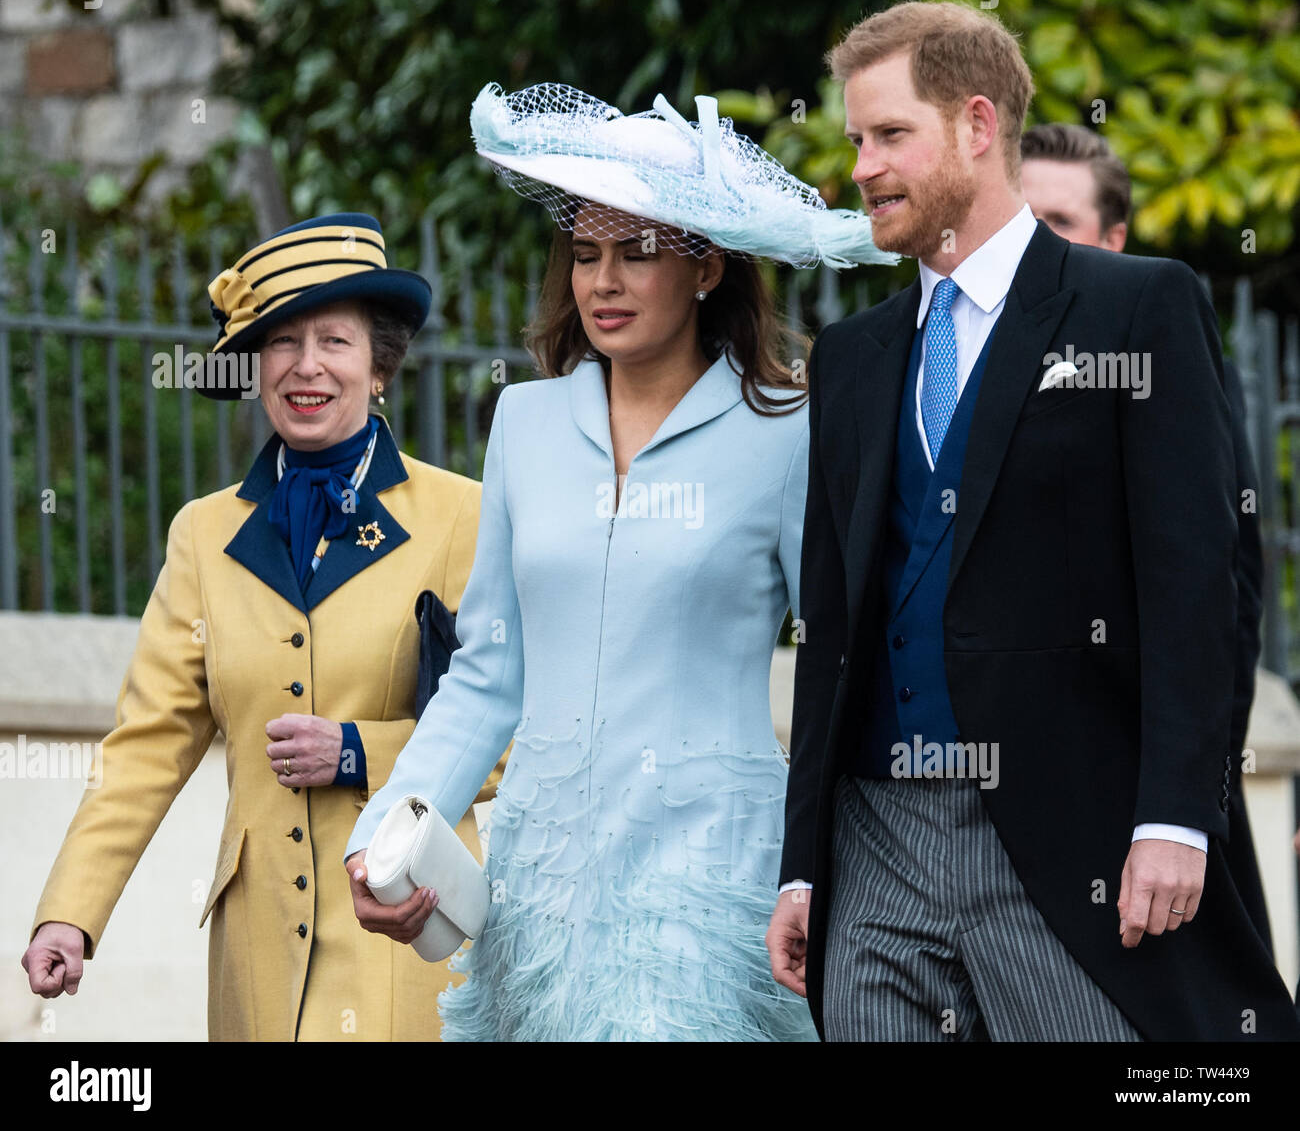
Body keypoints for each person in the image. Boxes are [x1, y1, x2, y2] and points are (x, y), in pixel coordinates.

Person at [766, 1, 1300, 1041]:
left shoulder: (1133, 308)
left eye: (888, 136)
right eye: (853, 142)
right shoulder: (854, 358)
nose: (861, 167)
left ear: (974, 126)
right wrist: (803, 864)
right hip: (874, 835)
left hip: (1065, 838)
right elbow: (829, 627)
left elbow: (1195, 583)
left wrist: (1176, 814)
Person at [343, 82, 895, 1041]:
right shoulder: (524, 422)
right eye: (587, 254)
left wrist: (831, 865)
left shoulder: (788, 431)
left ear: (708, 267)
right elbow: (486, 672)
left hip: (710, 884)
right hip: (538, 893)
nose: (602, 281)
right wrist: (383, 830)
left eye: (638, 253)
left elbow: (842, 668)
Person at [22, 212, 502, 1041]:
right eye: (281, 342)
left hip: (402, 933)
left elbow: (504, 734)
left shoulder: (463, 516)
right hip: (257, 964)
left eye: (334, 341)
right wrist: (70, 911)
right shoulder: (203, 535)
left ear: (379, 364)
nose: (306, 366)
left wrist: (356, 750)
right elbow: (147, 743)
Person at [1022, 122, 1274, 958]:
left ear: (1113, 236)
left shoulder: (1155, 333)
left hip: (1141, 792)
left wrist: (1190, 796)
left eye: (1058, 220)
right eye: (1023, 217)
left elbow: (1219, 579)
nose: (1035, 240)